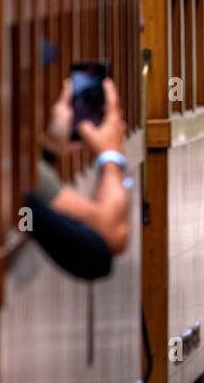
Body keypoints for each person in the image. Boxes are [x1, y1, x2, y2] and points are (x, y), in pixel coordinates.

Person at [29, 78, 131, 278]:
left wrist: (49, 151)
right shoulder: (24, 175)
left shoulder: (22, 171)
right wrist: (111, 155)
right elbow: (111, 233)